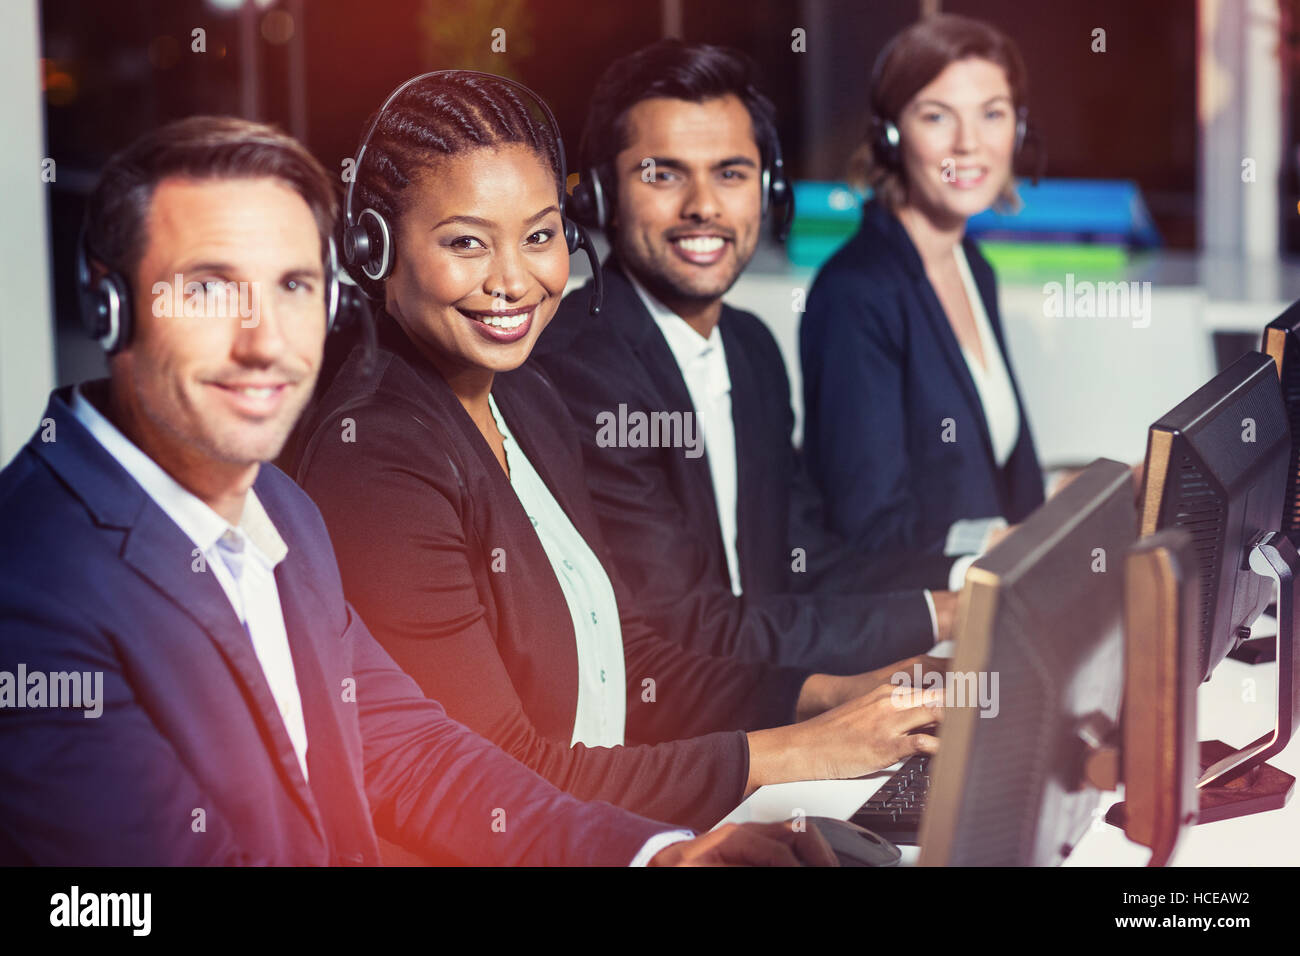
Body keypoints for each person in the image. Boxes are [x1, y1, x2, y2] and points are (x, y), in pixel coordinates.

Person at [0, 114, 837, 867]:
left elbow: (412, 751)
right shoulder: (34, 584)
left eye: (294, 287)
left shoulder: (278, 512)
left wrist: (657, 857)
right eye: (211, 290)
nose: (265, 343)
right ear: (109, 308)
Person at [291, 71, 944, 835]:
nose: (513, 281)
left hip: (615, 823)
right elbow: (500, 776)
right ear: (374, 251)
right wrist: (796, 753)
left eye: (540, 236)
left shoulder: (526, 400)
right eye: (466, 242)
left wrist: (827, 695)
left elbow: (627, 661)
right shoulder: (374, 461)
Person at [534, 40, 963, 676]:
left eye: (731, 173)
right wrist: (944, 616)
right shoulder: (583, 370)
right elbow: (691, 632)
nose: (704, 206)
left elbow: (808, 559)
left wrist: (970, 580)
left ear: (769, 191)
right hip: (680, 743)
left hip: (767, 705)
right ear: (599, 197)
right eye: (664, 174)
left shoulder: (751, 350)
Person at [800, 14, 1045, 562]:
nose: (969, 143)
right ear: (891, 135)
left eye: (992, 114)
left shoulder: (973, 265)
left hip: (1004, 602)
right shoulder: (854, 293)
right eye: (937, 116)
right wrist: (1000, 547)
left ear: (1018, 130)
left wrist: (1123, 484)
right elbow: (870, 531)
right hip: (925, 627)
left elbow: (1004, 483)